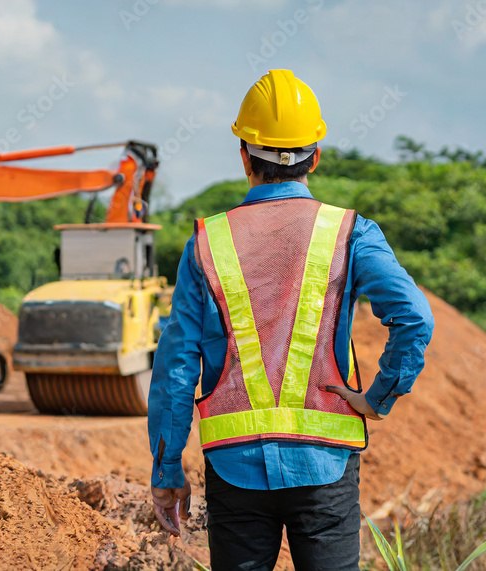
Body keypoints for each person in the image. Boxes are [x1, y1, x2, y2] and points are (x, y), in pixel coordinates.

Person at [147, 69, 434, 570]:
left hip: (234, 470)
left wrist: (168, 468)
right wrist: (378, 397)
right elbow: (413, 318)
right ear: (315, 157)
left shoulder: (205, 244)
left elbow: (175, 368)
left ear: (243, 156)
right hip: (325, 464)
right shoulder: (350, 233)